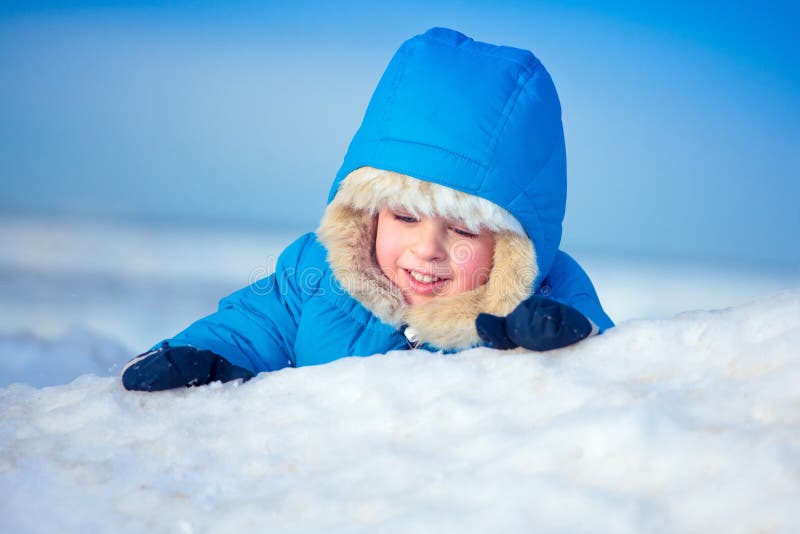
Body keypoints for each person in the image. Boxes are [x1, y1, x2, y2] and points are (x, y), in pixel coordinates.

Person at [122, 27, 613, 392]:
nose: (427, 248)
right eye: (404, 217)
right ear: (368, 214)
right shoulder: (315, 274)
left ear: (511, 248)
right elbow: (255, 326)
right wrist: (203, 355)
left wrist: (558, 339)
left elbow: (610, 356)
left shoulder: (544, 295)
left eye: (462, 230)